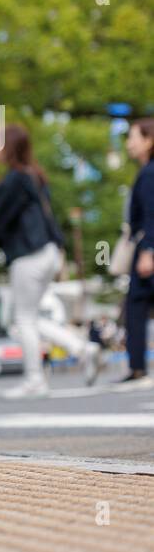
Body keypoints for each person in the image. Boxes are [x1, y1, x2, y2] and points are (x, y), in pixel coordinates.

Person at [0, 124, 101, 398]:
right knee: (31, 316)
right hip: (48, 252)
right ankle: (83, 349)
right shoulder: (34, 176)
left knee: (21, 319)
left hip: (29, 254)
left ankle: (35, 379)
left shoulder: (15, 180)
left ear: (9, 146)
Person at [115, 118, 154, 388]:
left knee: (136, 306)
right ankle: (136, 367)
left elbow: (152, 215)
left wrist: (148, 251)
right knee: (136, 306)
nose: (129, 143)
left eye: (133, 137)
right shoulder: (147, 172)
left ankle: (138, 368)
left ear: (149, 140)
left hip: (148, 247)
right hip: (146, 245)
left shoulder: (150, 174)